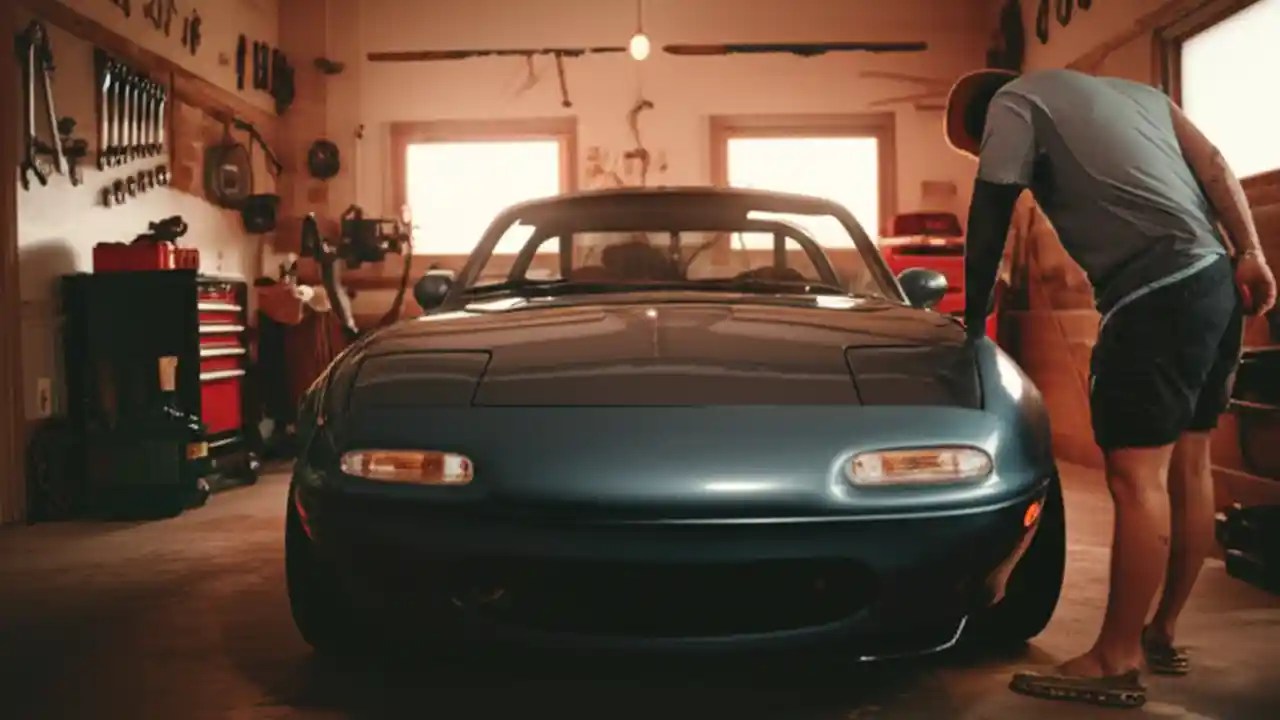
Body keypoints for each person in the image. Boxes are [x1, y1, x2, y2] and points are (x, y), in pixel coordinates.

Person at [944, 67, 1277, 708]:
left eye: (977, 145)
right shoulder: (1142, 96)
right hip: (1215, 281)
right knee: (1192, 460)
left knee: (1134, 479)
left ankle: (1114, 657)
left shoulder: (1013, 103)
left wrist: (972, 323)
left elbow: (991, 208)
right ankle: (1162, 630)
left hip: (1154, 295)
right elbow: (1215, 166)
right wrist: (1252, 252)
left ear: (986, 120)